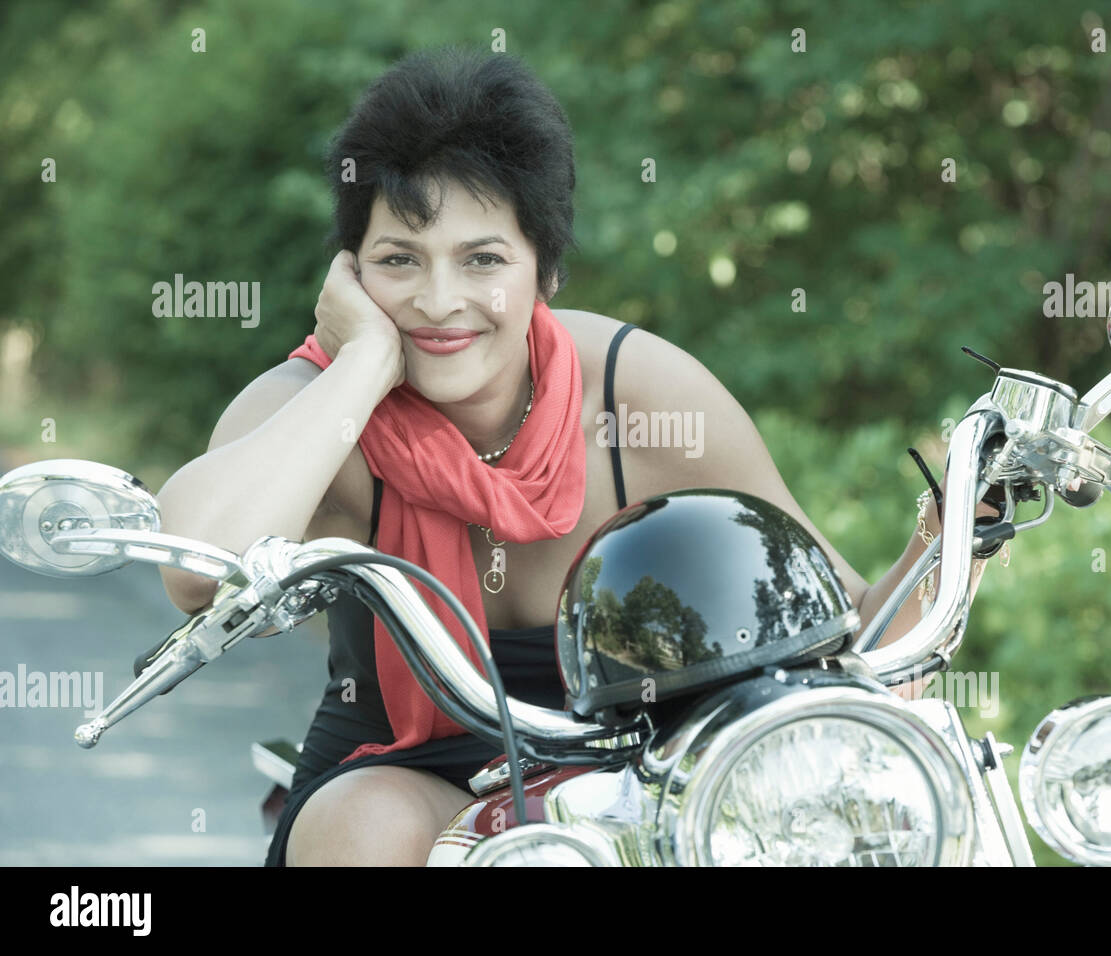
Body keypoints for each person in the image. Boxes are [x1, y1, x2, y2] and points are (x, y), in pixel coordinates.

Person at [155, 46, 995, 867]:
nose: (439, 302)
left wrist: (955, 524)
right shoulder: (318, 404)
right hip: (405, 787)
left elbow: (859, 658)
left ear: (543, 271)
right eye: (397, 261)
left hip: (645, 800)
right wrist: (366, 365)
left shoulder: (637, 394)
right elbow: (197, 574)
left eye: (482, 260)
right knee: (364, 828)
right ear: (350, 275)